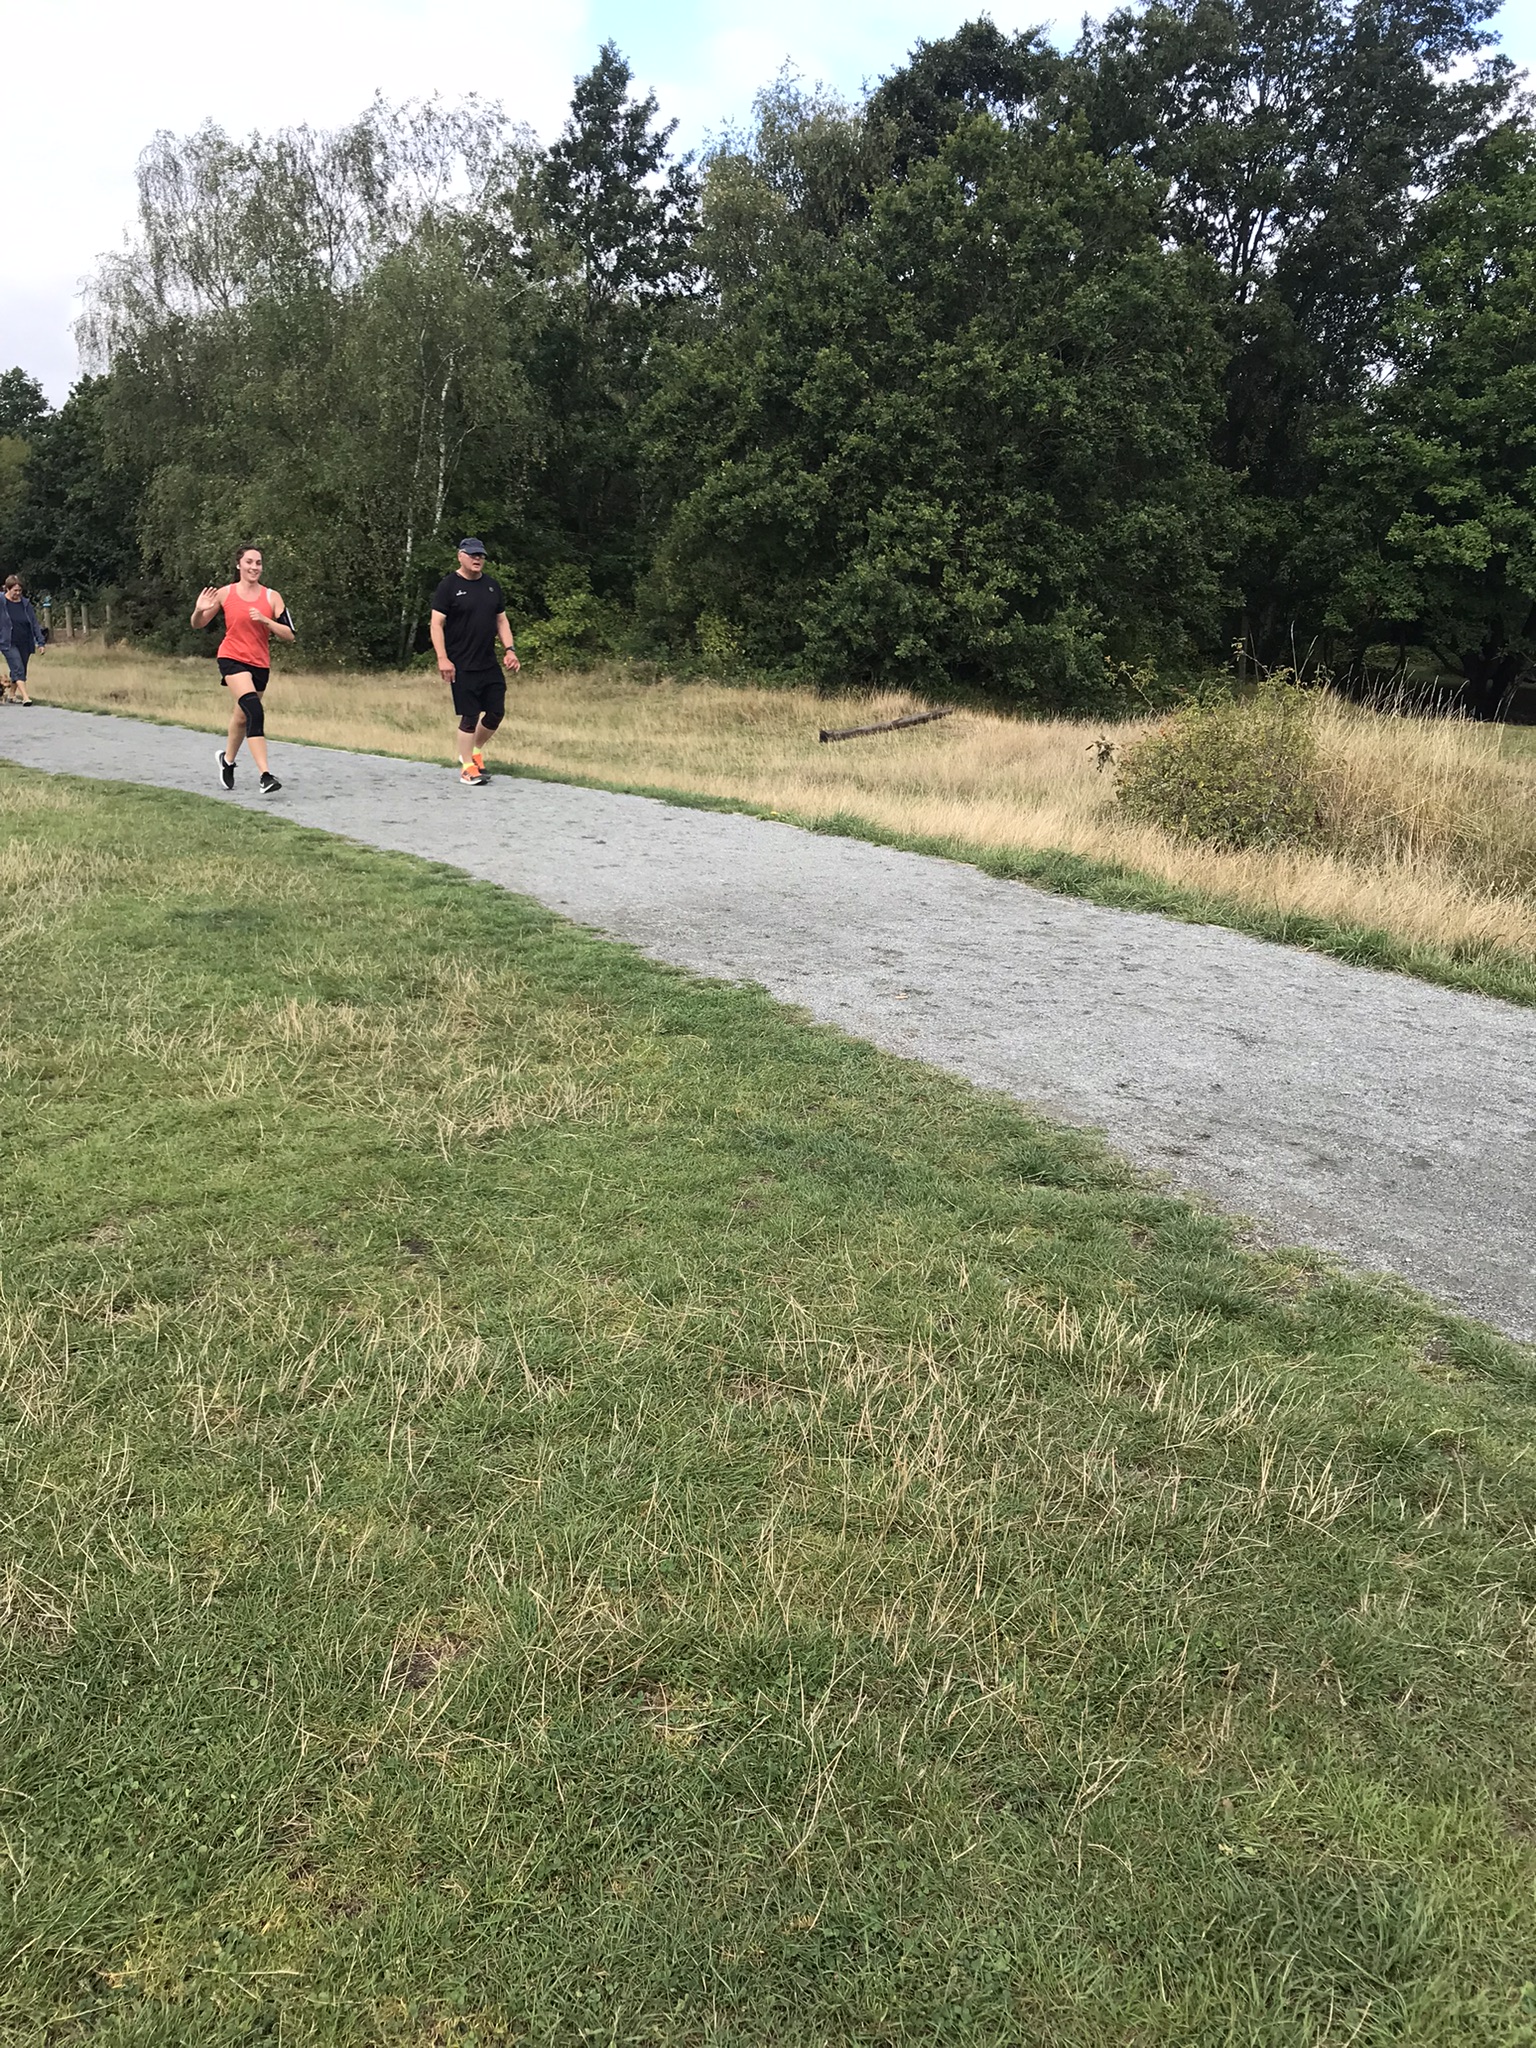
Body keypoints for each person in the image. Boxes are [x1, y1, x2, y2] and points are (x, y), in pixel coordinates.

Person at [190, 545, 295, 794]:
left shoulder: (272, 597)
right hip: (232, 658)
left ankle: (227, 760)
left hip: (259, 663)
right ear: (239, 565)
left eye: (258, 563)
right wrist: (198, 609)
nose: (254, 567)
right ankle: (265, 776)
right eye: (249, 562)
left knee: (241, 717)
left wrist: (266, 620)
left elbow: (290, 634)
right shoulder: (225, 593)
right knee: (254, 711)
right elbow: (198, 624)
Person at [428, 539, 519, 786]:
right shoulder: (449, 586)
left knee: (496, 712)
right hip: (461, 662)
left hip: (488, 661)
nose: (477, 559)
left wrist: (509, 650)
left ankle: (474, 751)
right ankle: (467, 768)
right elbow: (436, 624)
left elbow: (501, 620)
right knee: (470, 715)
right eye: (472, 555)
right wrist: (442, 658)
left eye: (481, 555)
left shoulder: (491, 586)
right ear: (461, 556)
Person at [1, 576, 43, 703]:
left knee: (21, 668)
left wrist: (40, 642)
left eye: (20, 590)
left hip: (25, 640)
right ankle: (25, 697)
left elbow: (34, 623)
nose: (18, 593)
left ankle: (12, 695)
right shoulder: (1, 602)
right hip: (8, 641)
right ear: (8, 589)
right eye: (15, 590)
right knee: (17, 667)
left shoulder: (25, 603)